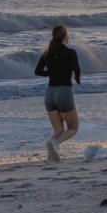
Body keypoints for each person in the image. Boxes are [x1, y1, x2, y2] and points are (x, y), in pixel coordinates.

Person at [34, 25, 82, 161]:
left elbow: (37, 71)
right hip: (64, 92)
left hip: (49, 94)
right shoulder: (71, 52)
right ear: (65, 36)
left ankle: (52, 155)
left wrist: (51, 72)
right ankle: (55, 143)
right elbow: (77, 71)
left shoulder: (47, 53)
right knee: (73, 128)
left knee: (58, 131)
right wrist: (77, 79)